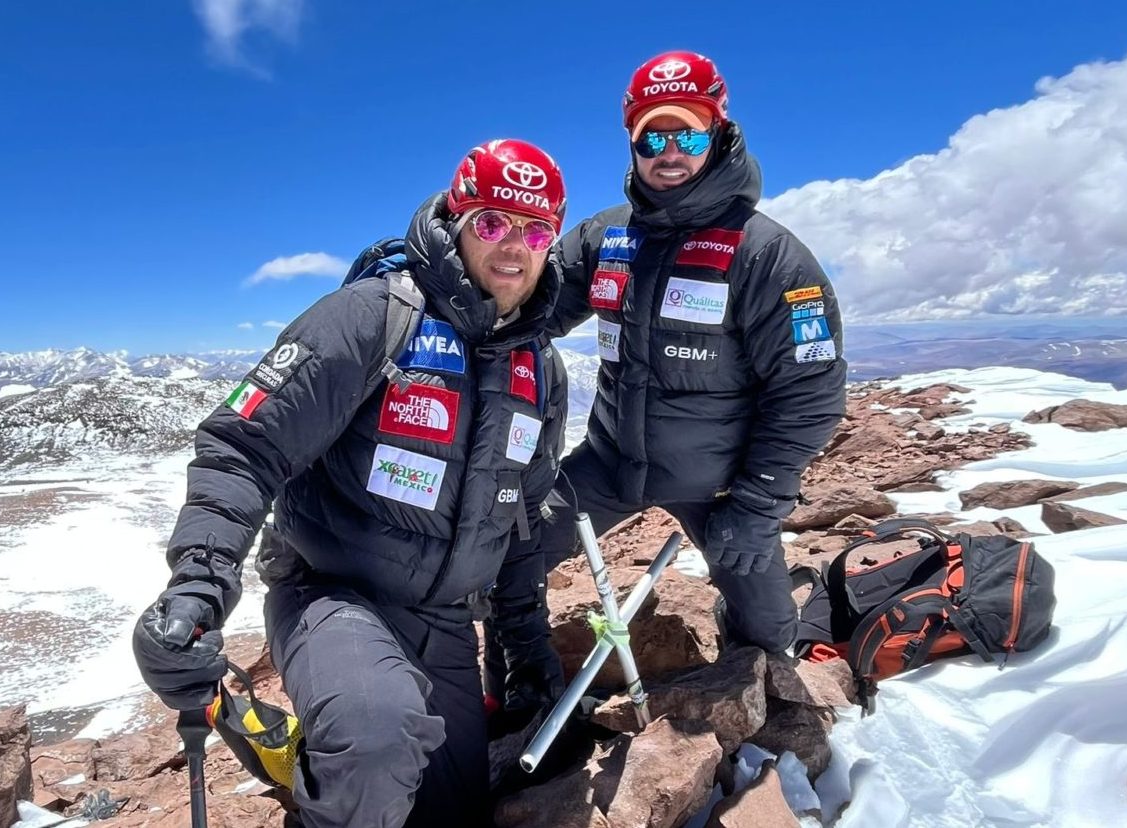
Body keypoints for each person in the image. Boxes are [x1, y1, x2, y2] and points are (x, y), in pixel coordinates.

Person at [132, 138, 570, 828]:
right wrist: (197, 585)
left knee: (446, 813)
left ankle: (299, 751)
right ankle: (325, 756)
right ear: (458, 222)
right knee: (374, 741)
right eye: (493, 223)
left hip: (445, 621)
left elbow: (519, 523)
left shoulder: (540, 370)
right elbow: (244, 448)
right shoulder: (372, 318)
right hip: (331, 594)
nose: (514, 246)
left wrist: (525, 648)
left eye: (535, 229)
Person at [542, 51, 847, 654]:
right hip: (608, 465)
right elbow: (530, 308)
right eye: (652, 135)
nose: (670, 151)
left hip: (723, 487)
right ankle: (522, 689)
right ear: (632, 141)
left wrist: (758, 504)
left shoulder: (769, 256)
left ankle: (764, 718)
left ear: (720, 130)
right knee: (513, 554)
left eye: (688, 131)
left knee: (765, 631)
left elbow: (811, 392)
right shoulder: (606, 236)